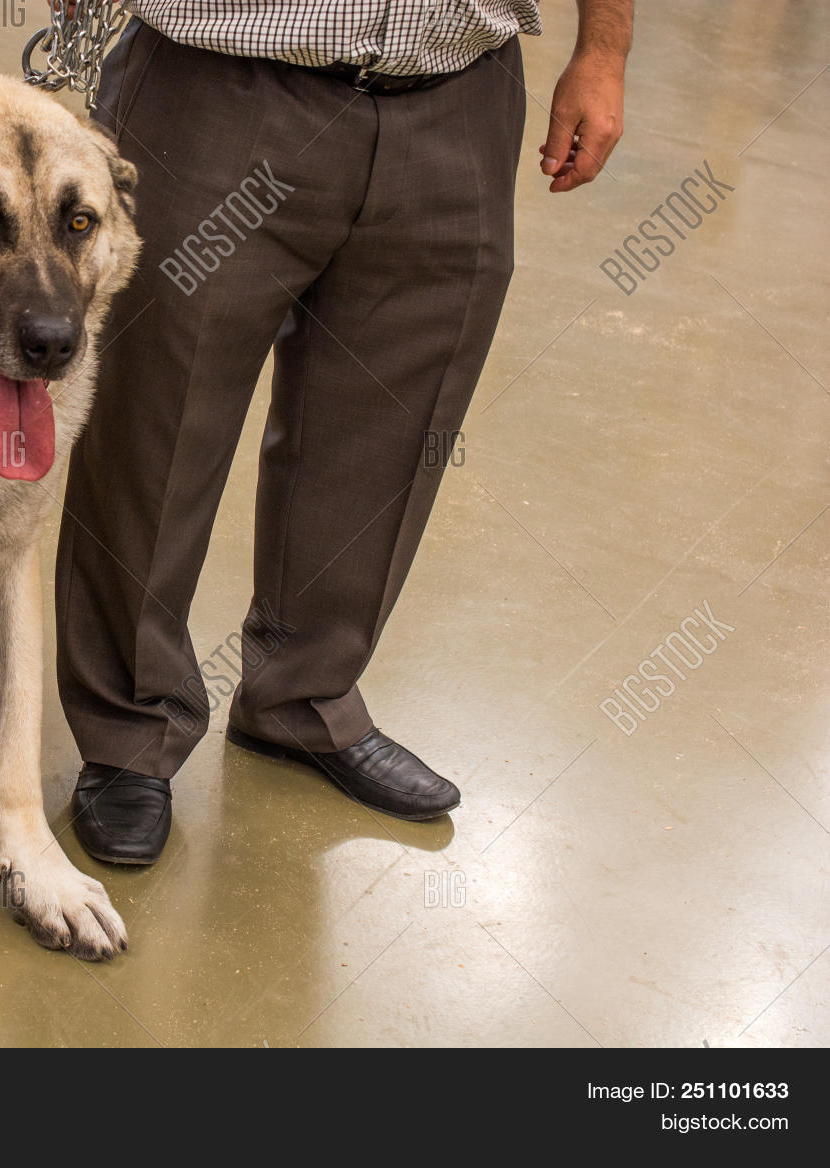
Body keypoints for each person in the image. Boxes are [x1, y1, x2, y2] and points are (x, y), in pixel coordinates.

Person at [57, 0, 632, 863]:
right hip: (220, 78)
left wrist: (604, 50)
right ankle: (129, 730)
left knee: (392, 422)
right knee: (158, 420)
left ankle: (304, 697)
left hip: (457, 90)